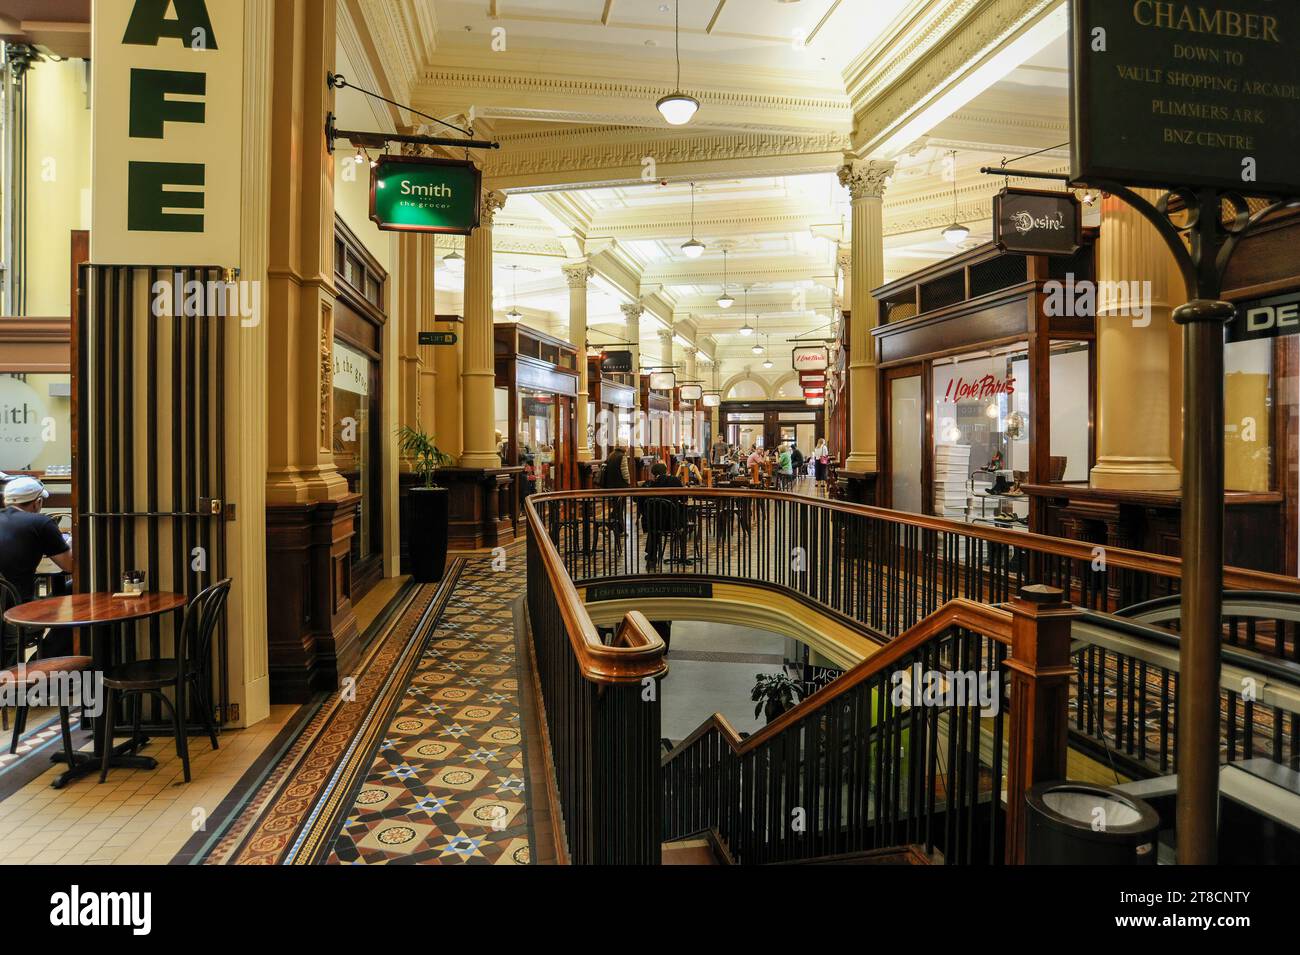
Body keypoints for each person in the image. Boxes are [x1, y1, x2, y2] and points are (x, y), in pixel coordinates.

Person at [0, 476, 73, 605]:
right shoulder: (41, 523)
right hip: (17, 607)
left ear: (6, 502)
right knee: (72, 587)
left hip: (5, 602)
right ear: (37, 502)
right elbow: (69, 565)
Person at [639, 462, 683, 568]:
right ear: (666, 471)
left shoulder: (648, 485)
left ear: (653, 473)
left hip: (653, 523)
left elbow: (639, 502)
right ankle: (682, 556)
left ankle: (651, 557)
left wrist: (646, 515)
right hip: (672, 523)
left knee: (654, 527)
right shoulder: (674, 481)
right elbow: (684, 498)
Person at [601, 446, 630, 533]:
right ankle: (616, 528)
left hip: (611, 486)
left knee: (616, 507)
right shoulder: (622, 456)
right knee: (620, 508)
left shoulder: (611, 455)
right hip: (620, 486)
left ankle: (615, 527)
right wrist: (628, 482)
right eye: (626, 445)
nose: (627, 447)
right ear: (624, 447)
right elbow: (625, 472)